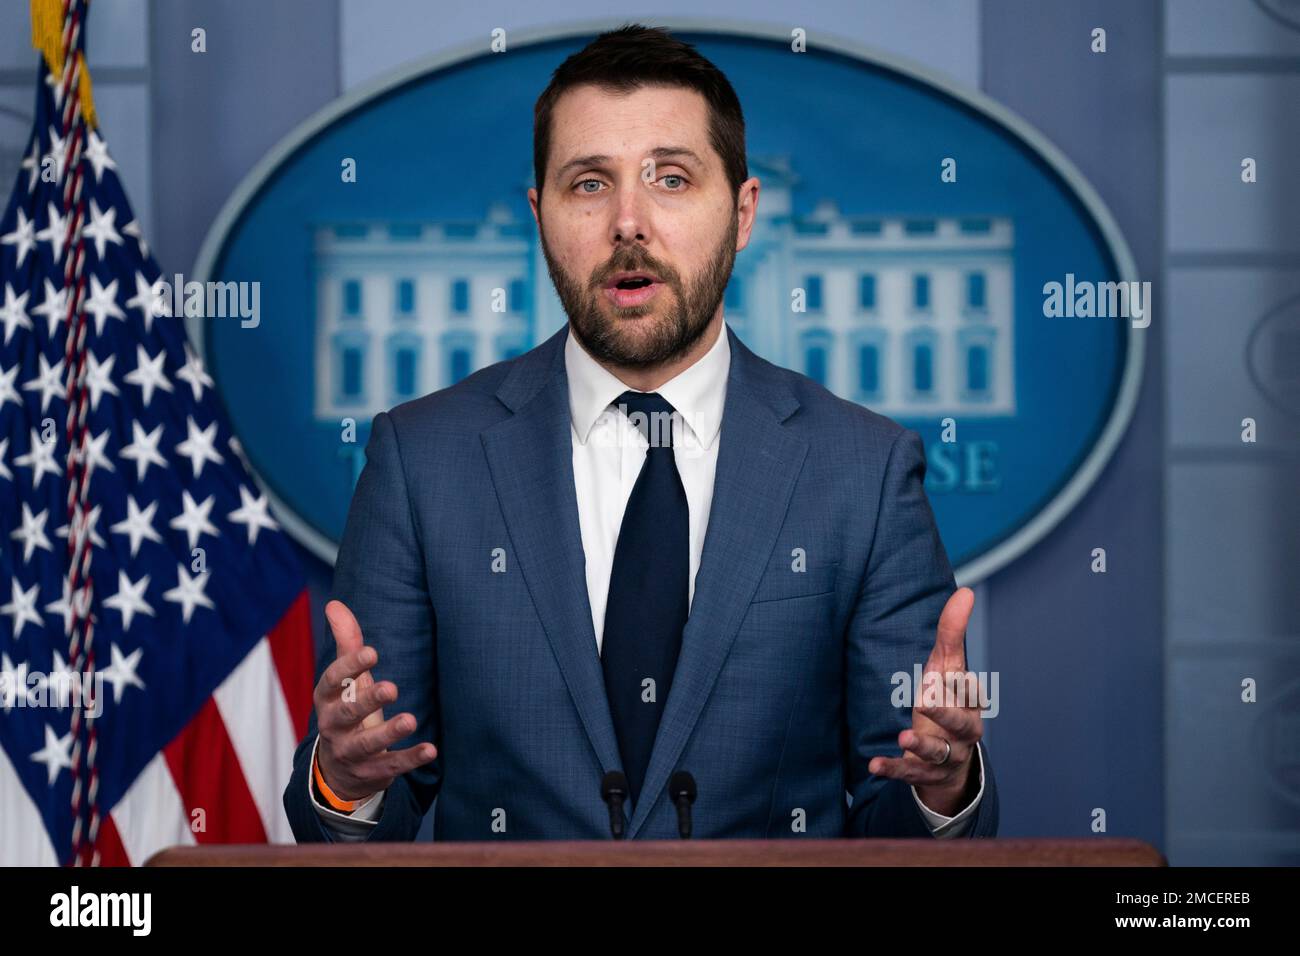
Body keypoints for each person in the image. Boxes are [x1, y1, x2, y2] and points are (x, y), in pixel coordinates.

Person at [284, 23, 997, 842]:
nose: (629, 222)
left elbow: (901, 813)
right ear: (539, 214)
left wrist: (943, 787)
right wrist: (346, 782)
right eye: (589, 184)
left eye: (671, 178)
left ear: (742, 212)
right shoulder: (421, 461)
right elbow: (362, 816)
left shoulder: (863, 471)